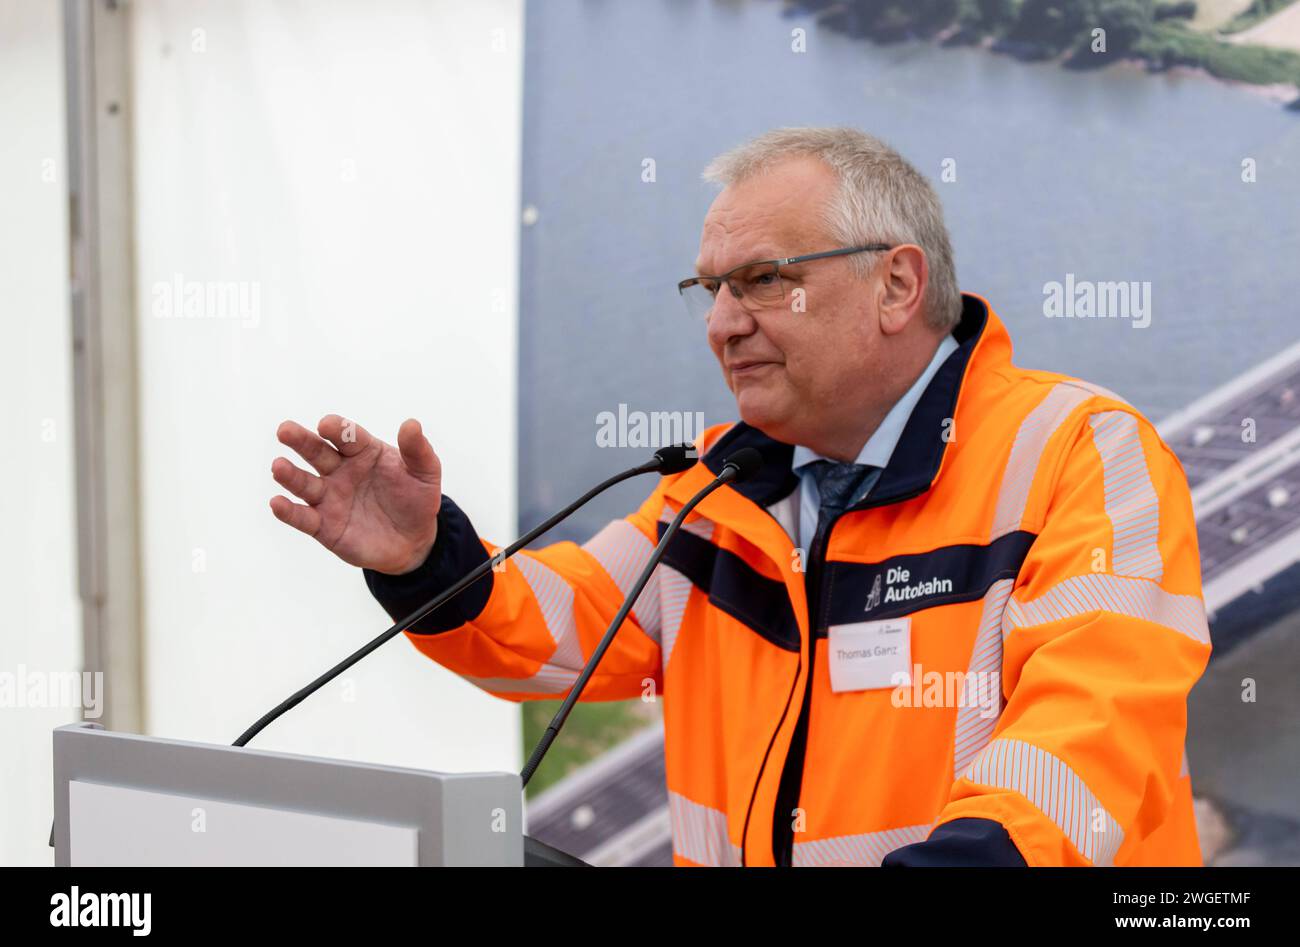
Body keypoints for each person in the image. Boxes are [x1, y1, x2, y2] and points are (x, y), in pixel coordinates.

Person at [269, 127, 1210, 867]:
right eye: (710, 289)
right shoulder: (721, 481)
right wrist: (427, 560)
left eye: (762, 281)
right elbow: (559, 635)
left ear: (895, 283)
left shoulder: (1075, 453)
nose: (721, 324)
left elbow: (1089, 737)